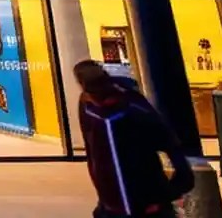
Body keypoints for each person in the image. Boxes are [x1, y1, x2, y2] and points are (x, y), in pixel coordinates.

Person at [74, 60, 193, 217]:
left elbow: (169, 142)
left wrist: (173, 189)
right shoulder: (88, 107)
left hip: (148, 203)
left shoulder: (131, 105)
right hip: (112, 203)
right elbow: (92, 150)